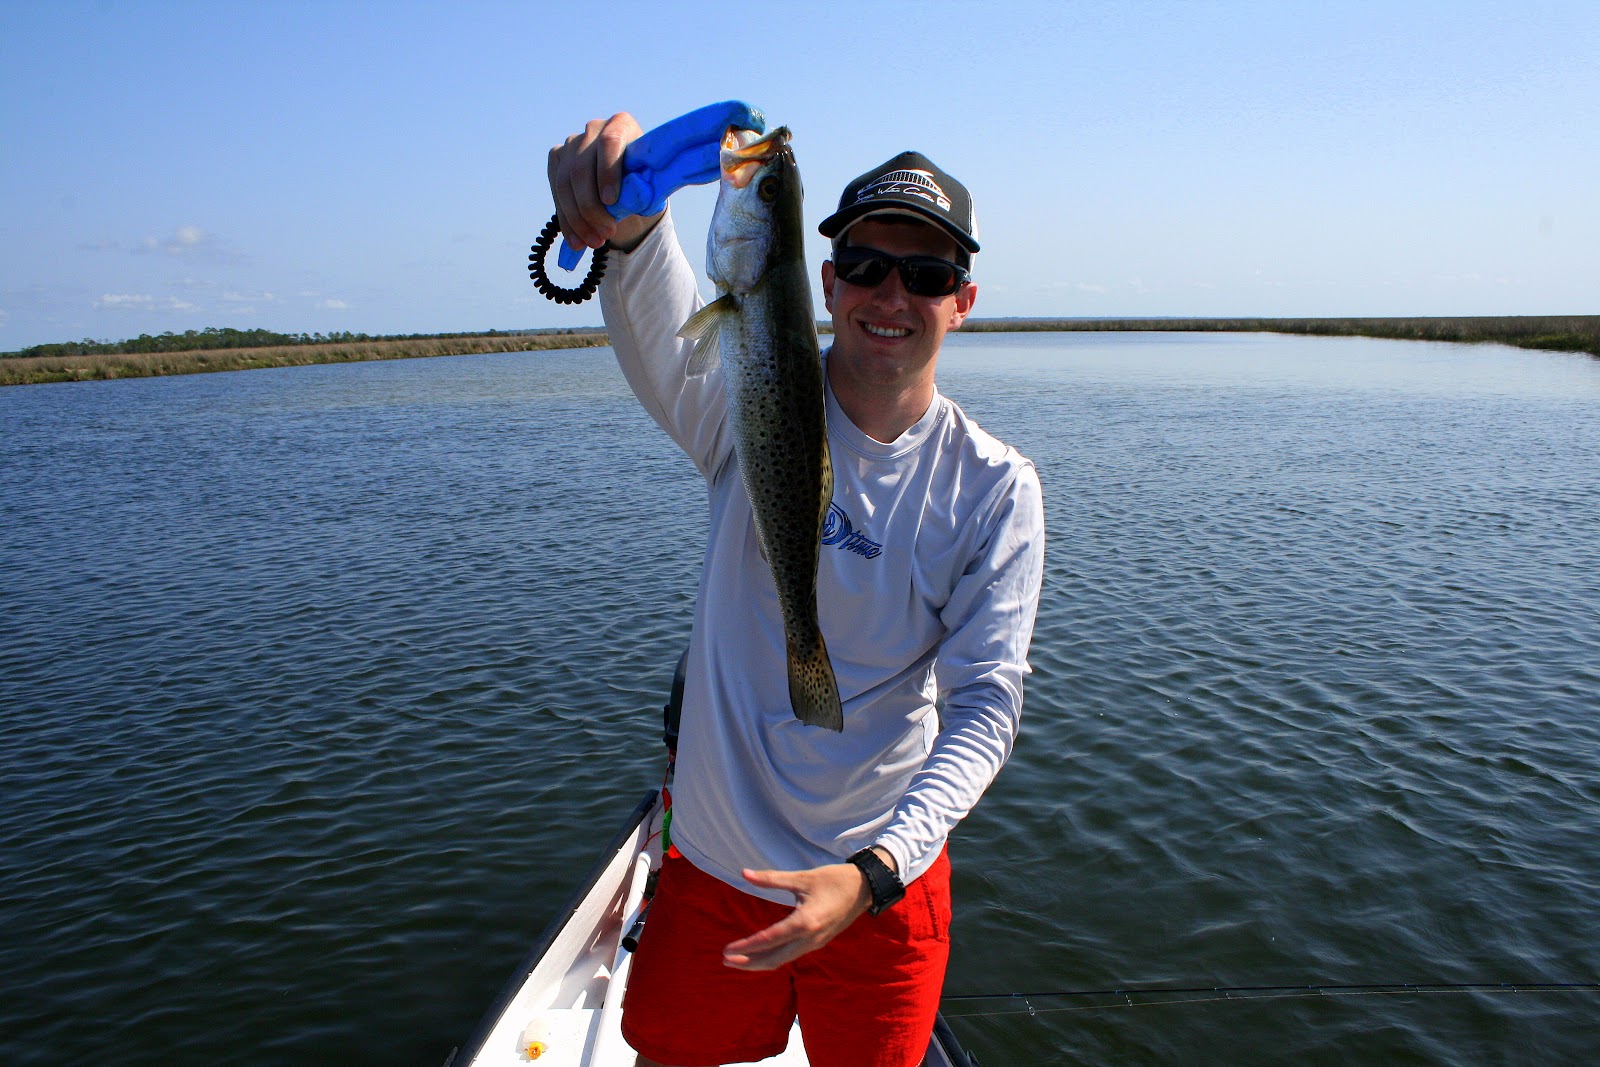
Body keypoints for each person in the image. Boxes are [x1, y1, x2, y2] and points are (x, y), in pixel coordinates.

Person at [548, 112, 1045, 1067]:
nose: (891, 293)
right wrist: (635, 224)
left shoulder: (994, 488)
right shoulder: (746, 390)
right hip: (712, 859)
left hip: (880, 875)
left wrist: (875, 872)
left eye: (928, 275)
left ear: (963, 299)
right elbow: (659, 318)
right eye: (865, 265)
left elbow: (987, 709)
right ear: (824, 281)